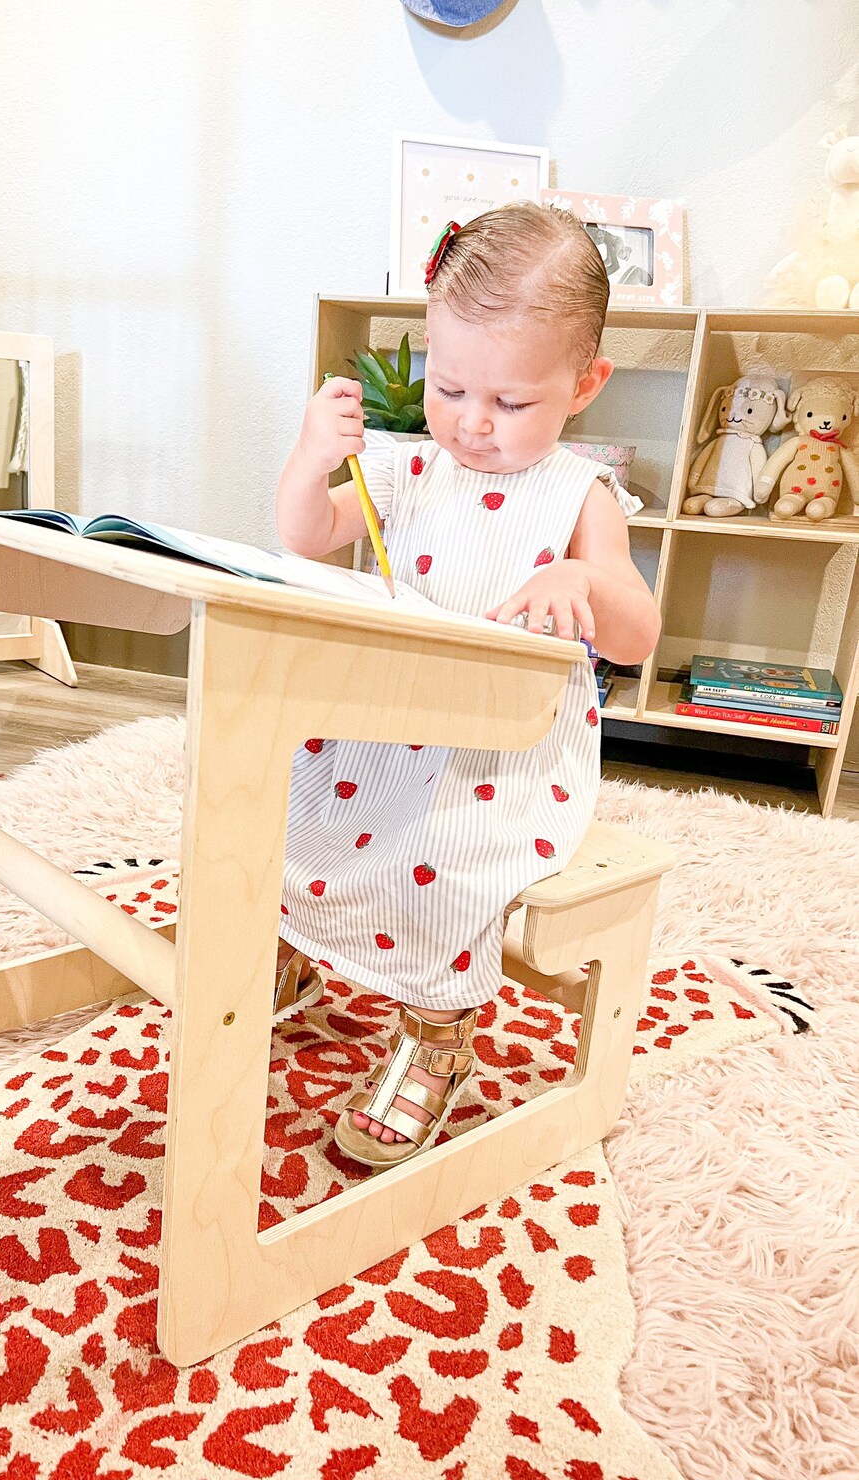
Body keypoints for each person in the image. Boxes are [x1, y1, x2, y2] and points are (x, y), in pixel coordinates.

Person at [272, 202, 661, 1170]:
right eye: (449, 387)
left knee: (442, 856)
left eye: (511, 403)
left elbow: (641, 626)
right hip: (388, 725)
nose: (474, 423)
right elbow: (308, 533)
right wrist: (312, 456)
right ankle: (295, 949)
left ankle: (436, 1033)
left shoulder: (580, 494)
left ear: (585, 384)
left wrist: (584, 582)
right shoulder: (411, 470)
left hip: (504, 754)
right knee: (286, 795)